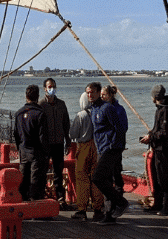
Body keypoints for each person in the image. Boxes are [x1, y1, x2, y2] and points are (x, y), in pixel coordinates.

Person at [88, 81, 128, 223]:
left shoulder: (109, 109)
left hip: (111, 148)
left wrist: (116, 147)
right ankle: (110, 214)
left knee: (100, 178)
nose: (89, 95)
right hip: (102, 149)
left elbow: (119, 128)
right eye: (87, 92)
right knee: (104, 179)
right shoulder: (94, 110)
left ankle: (120, 203)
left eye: (92, 92)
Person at [142, 84, 168, 214]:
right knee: (156, 176)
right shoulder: (160, 110)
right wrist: (150, 135)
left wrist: (150, 137)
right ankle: (157, 203)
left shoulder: (165, 111)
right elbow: (157, 130)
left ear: (156, 97)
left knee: (163, 177)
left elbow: (164, 132)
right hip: (157, 148)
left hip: (163, 149)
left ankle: (166, 206)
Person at [12, 84, 49, 201]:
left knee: (23, 179)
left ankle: (22, 204)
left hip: (23, 150)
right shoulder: (40, 114)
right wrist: (46, 153)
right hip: (36, 152)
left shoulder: (18, 113)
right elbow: (43, 137)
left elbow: (16, 134)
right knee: (36, 181)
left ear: (26, 96)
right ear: (37, 97)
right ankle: (36, 209)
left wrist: (20, 148)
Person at [39, 78, 71, 205]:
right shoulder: (41, 105)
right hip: (45, 144)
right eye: (49, 87)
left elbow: (66, 123)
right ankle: (42, 195)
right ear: (45, 89)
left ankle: (60, 197)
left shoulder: (61, 104)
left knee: (58, 171)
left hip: (58, 142)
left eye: (53, 86)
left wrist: (68, 141)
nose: (51, 89)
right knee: (42, 171)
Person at [69, 89, 100, 221]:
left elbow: (73, 134)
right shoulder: (98, 113)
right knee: (96, 178)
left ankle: (82, 209)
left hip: (83, 147)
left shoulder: (81, 115)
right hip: (97, 147)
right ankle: (98, 209)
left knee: (82, 178)